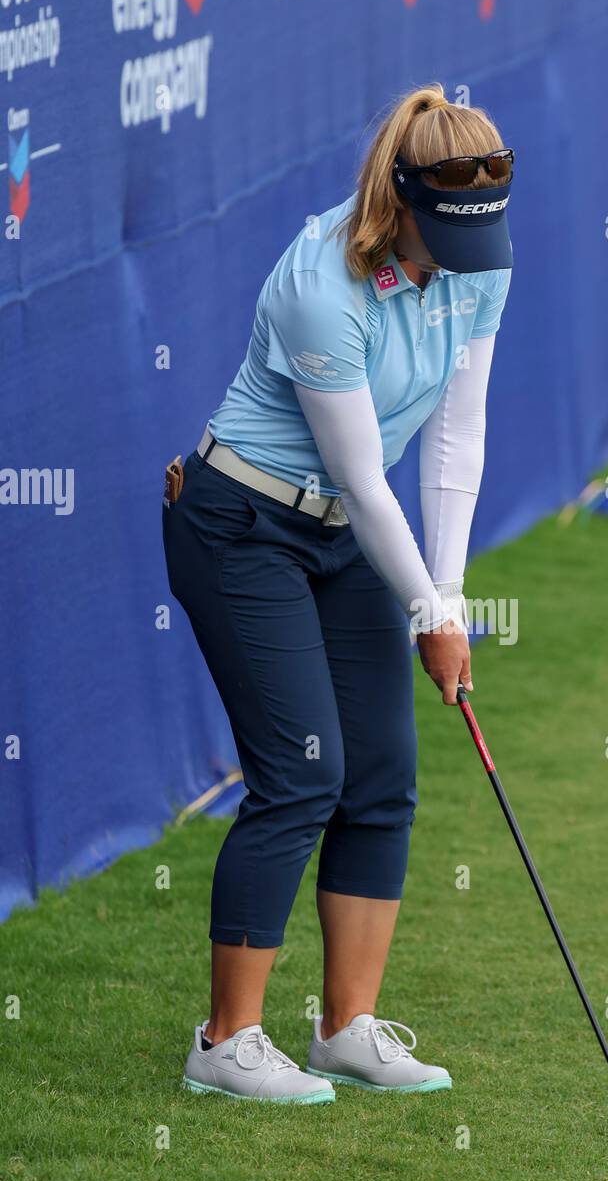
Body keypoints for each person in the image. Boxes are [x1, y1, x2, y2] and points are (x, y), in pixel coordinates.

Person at [162, 83, 513, 1103]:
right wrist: (427, 615)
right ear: (398, 200)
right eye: (444, 225)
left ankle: (345, 1028)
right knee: (302, 775)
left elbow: (455, 436)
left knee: (380, 775)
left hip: (341, 538)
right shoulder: (322, 284)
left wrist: (442, 596)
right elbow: (364, 480)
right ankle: (226, 1043)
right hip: (242, 525)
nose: (464, 245)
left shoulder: (476, 262)